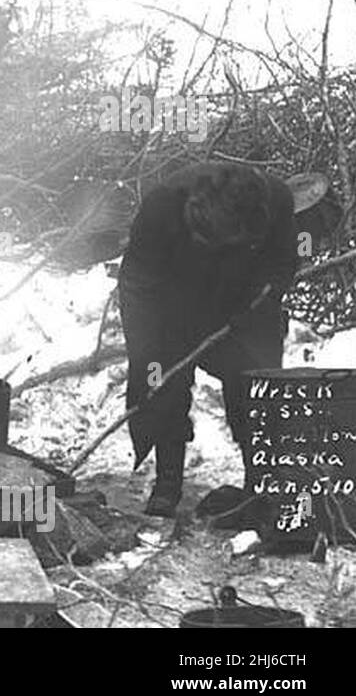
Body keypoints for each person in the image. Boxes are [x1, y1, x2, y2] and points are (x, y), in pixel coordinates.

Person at [117, 162, 297, 517]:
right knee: (163, 386)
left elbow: (284, 261)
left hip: (242, 307)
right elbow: (136, 284)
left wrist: (260, 300)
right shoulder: (162, 206)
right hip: (171, 306)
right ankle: (168, 483)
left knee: (256, 386)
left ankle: (258, 483)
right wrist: (147, 355)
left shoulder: (277, 200)